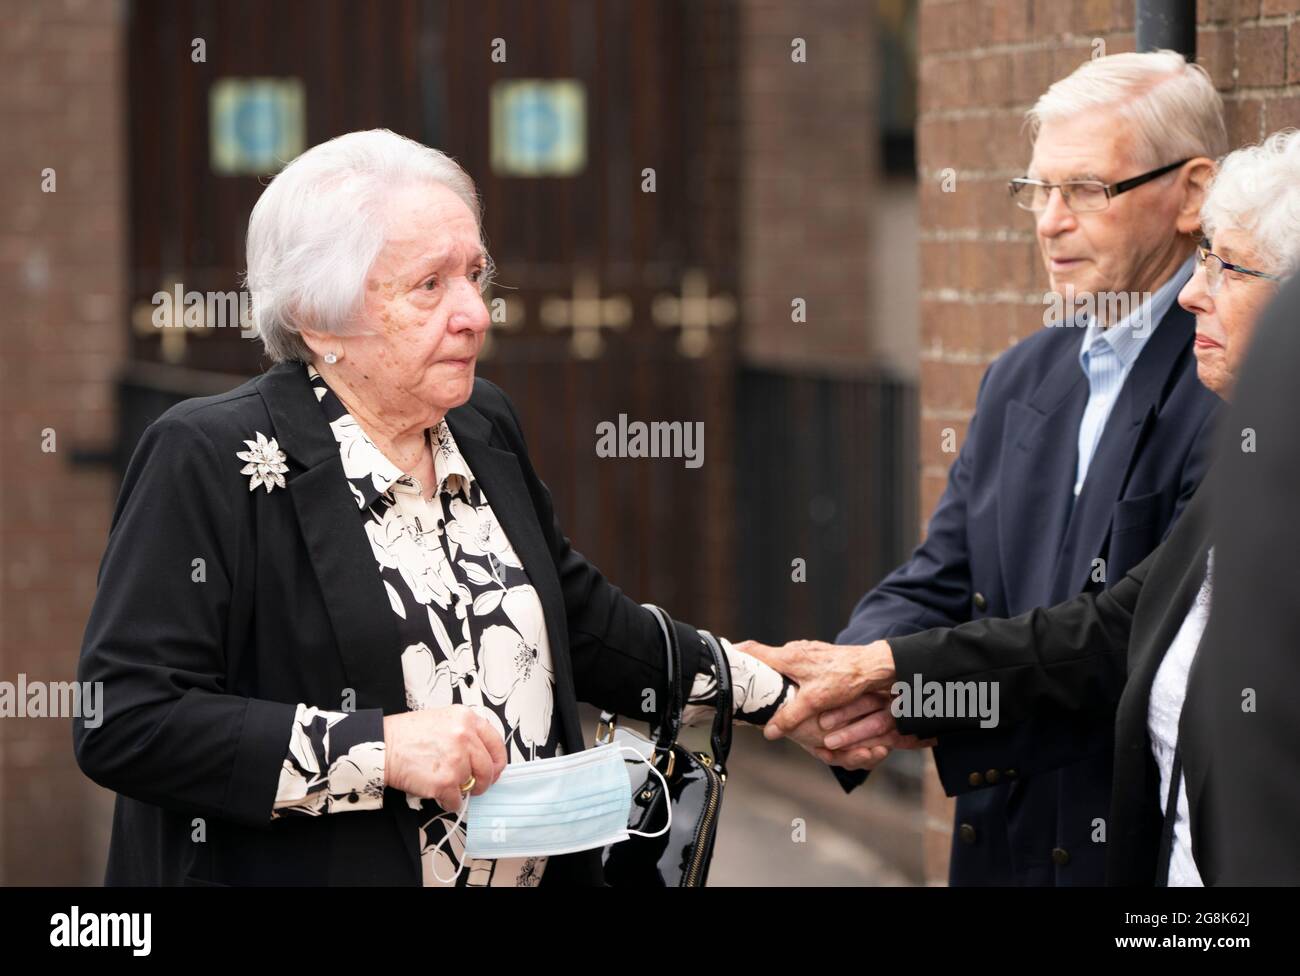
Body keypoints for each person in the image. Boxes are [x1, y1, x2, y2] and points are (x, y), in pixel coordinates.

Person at [72, 129, 806, 887]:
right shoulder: (206, 456)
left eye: (475, 276)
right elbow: (122, 720)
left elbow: (579, 622)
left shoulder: (481, 424)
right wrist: (381, 749)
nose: (476, 315)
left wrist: (772, 690)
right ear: (319, 319)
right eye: (430, 285)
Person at [755, 129, 1300, 885]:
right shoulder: (1026, 372)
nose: (1193, 292)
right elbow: (1108, 634)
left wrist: (877, 679)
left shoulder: (1227, 421)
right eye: (1037, 190)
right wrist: (878, 678)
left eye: (1229, 268)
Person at [823, 50, 1225, 885]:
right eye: (1038, 189)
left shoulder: (1230, 381)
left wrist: (901, 681)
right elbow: (941, 575)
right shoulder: (1021, 376)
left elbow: (1126, 636)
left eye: (1085, 189)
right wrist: (853, 681)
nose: (1048, 221)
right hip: (999, 852)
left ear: (1192, 194)